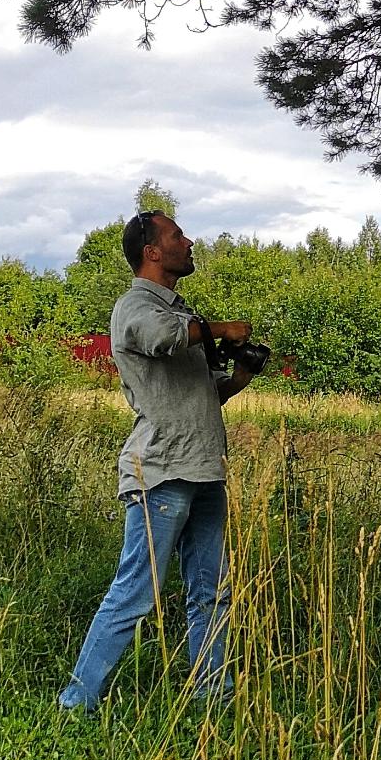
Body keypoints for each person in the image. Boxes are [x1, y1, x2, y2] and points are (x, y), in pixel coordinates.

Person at [58, 209, 256, 712]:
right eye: (177, 235)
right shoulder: (136, 306)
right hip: (163, 473)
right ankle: (76, 703)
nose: (189, 242)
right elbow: (162, 338)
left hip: (205, 468)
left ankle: (213, 697)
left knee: (212, 593)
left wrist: (238, 377)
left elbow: (197, 397)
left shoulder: (178, 309)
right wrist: (219, 328)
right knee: (136, 593)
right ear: (152, 251)